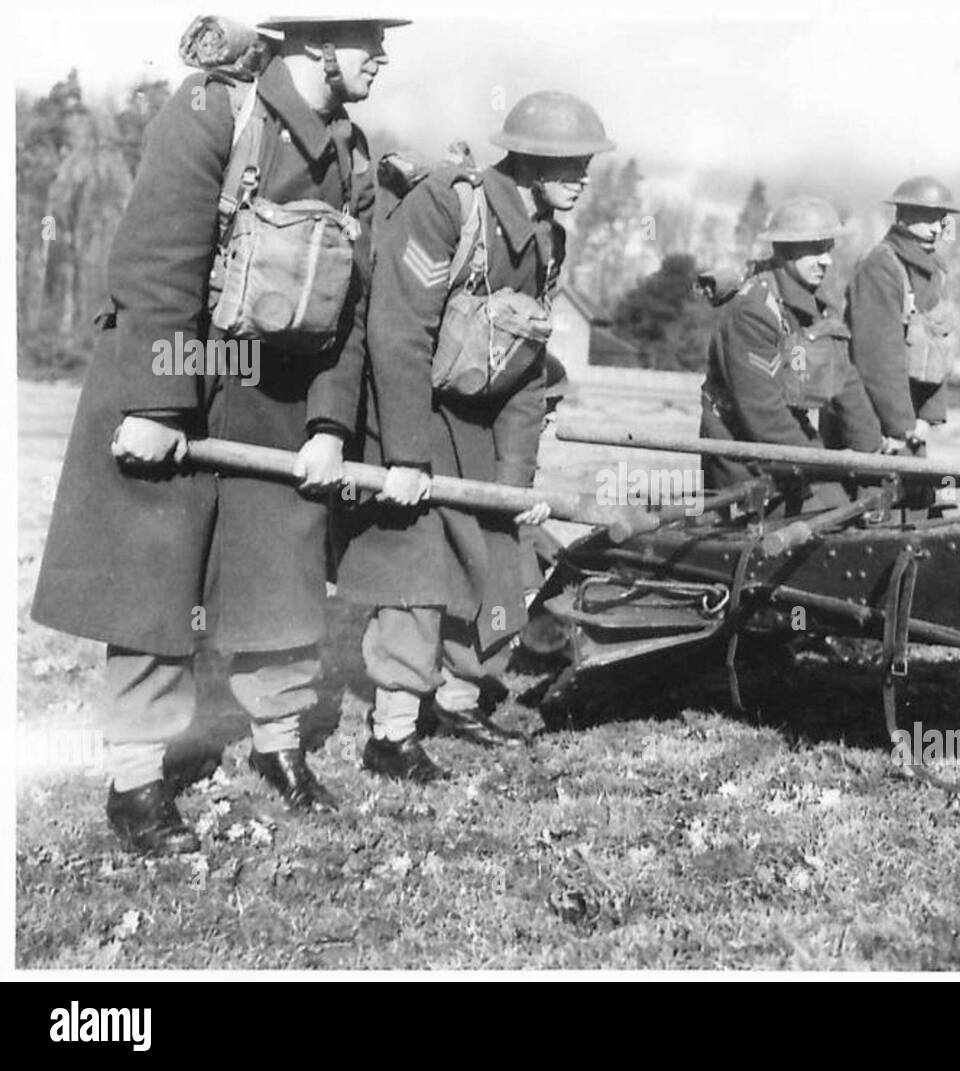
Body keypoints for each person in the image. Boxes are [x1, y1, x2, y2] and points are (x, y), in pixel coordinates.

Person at [30, 16, 406, 854]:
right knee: (153, 593)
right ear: (313, 40)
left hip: (280, 400)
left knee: (282, 587)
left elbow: (349, 312)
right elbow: (157, 263)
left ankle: (280, 751)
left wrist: (330, 425)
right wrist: (157, 406)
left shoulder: (352, 155)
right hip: (183, 381)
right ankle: (135, 780)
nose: (382, 53)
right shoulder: (211, 110)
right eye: (366, 35)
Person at [336, 91, 615, 780]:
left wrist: (514, 479)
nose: (581, 175)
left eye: (585, 161)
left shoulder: (549, 238)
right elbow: (398, 332)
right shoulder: (448, 204)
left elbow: (526, 367)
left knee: (497, 557)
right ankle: (392, 732)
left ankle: (460, 699)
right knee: (416, 568)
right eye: (567, 161)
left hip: (483, 420)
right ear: (525, 158)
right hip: (410, 409)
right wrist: (403, 454)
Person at [699, 196, 882, 509]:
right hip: (742, 456)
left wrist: (873, 452)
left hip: (789, 445)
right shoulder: (753, 310)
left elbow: (843, 379)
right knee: (833, 515)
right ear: (784, 250)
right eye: (814, 250)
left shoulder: (816, 306)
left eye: (828, 248)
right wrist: (822, 465)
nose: (826, 260)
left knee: (864, 501)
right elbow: (762, 412)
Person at [845, 176, 960, 457]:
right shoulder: (881, 266)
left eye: (941, 219)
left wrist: (927, 419)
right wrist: (902, 428)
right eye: (927, 217)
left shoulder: (935, 272)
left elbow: (939, 350)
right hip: (873, 422)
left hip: (910, 423)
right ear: (903, 215)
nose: (936, 228)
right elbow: (878, 361)